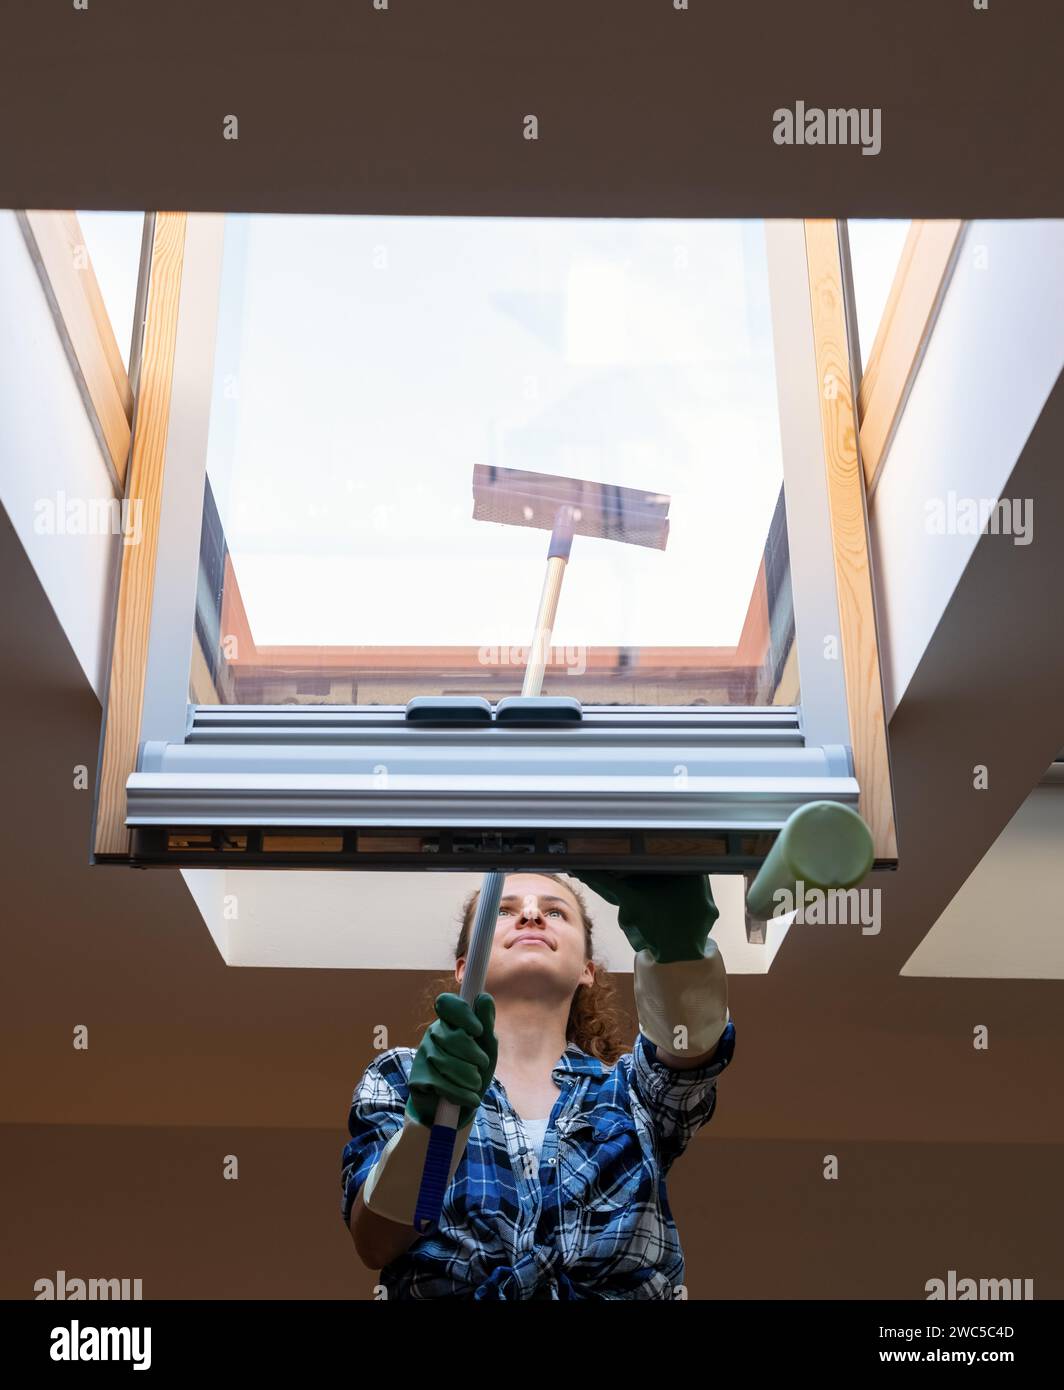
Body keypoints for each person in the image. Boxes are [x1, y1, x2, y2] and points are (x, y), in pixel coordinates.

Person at [341, 869, 735, 1300]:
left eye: (555, 911)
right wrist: (433, 1127)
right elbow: (376, 1241)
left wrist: (680, 957)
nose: (531, 915)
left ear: (587, 969)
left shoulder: (630, 1091)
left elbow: (686, 1059)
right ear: (463, 967)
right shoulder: (400, 1076)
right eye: (503, 911)